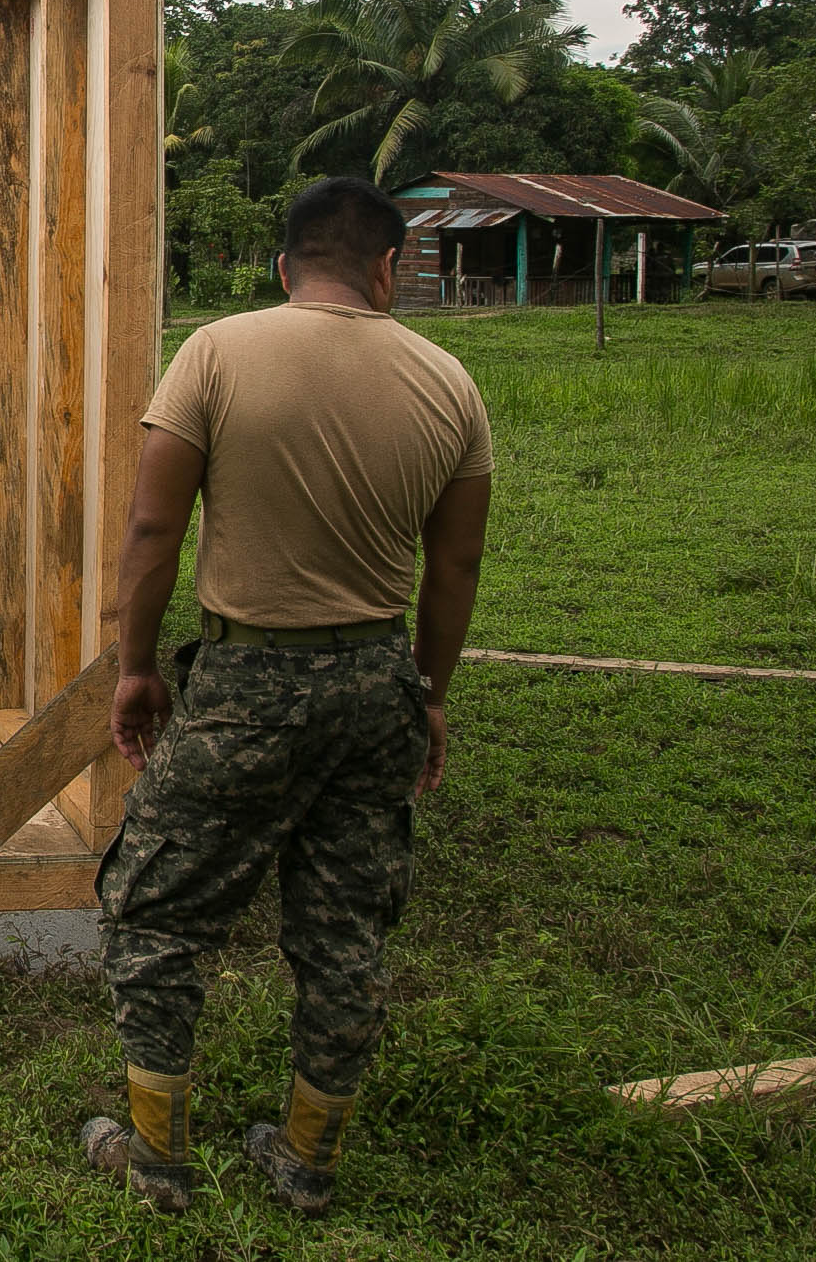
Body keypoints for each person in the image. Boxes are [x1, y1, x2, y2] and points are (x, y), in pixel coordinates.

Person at [79, 176, 493, 1218]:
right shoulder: (451, 383)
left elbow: (153, 532)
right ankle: (308, 1158)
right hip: (374, 682)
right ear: (388, 267)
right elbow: (456, 573)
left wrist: (136, 667)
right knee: (345, 923)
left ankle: (157, 1153)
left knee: (158, 906)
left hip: (248, 681)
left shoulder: (216, 352)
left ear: (283, 265)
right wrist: (428, 696)